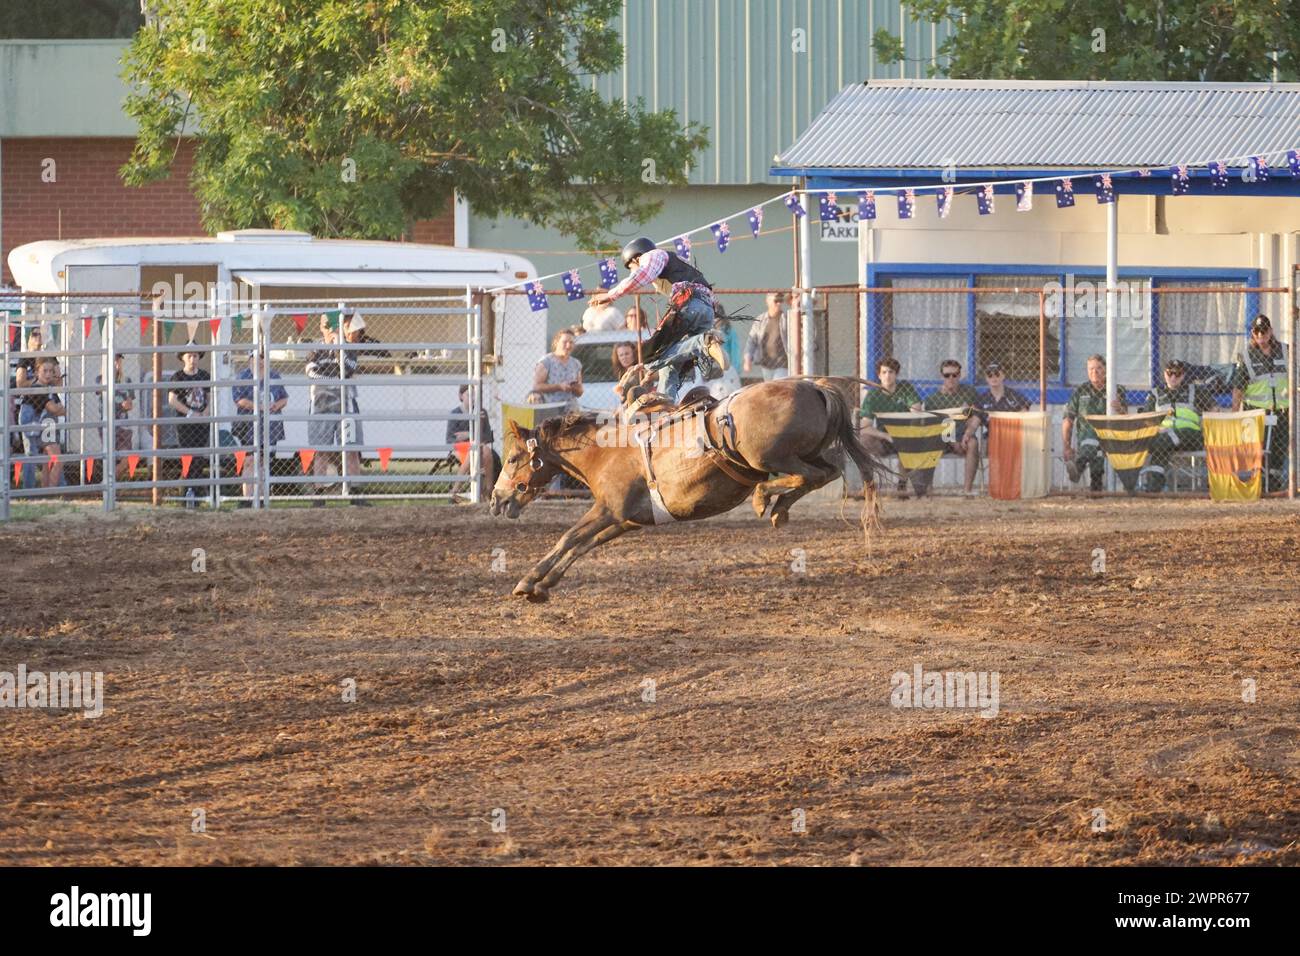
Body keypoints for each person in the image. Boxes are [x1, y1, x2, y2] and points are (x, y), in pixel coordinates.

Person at [588, 237, 727, 401]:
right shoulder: (678, 264)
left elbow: (641, 275)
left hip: (690, 305)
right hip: (706, 312)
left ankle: (703, 343)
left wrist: (611, 295)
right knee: (670, 364)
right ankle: (664, 402)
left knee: (651, 355)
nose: (632, 271)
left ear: (635, 257)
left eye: (631, 267)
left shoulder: (653, 256)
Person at [305, 314, 367, 506]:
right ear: (321, 327)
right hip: (321, 403)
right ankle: (319, 495)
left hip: (346, 402)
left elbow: (349, 368)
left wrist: (339, 347)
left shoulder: (347, 347)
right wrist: (335, 381)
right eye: (326, 326)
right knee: (321, 450)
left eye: (333, 325)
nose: (330, 329)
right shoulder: (316, 348)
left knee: (351, 448)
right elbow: (311, 371)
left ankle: (355, 493)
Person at [1230, 313, 1289, 491]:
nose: (1261, 335)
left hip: (1282, 410)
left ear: (1270, 331)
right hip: (1255, 412)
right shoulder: (1247, 356)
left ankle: (1274, 484)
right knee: (1257, 449)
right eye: (1257, 332)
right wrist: (1235, 413)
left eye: (1264, 331)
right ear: (1253, 334)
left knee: (1279, 449)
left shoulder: (1286, 351)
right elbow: (1238, 388)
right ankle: (1257, 484)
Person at [1139, 358, 1215, 493]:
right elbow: (1146, 418)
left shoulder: (1194, 390)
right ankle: (1154, 488)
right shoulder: (1156, 394)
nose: (1173, 377)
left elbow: (1214, 409)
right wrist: (1157, 428)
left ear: (1183, 375)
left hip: (1190, 435)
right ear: (1164, 374)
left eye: (1178, 374)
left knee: (1158, 444)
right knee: (1161, 446)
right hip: (1165, 438)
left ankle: (1153, 486)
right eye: (1170, 373)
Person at [1062, 354, 1128, 494]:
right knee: (1094, 447)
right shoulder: (1080, 391)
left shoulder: (1116, 389)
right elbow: (1068, 419)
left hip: (1110, 437)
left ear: (1106, 369)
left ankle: (1077, 469)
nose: (1094, 372)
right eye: (1091, 369)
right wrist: (1067, 446)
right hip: (1086, 437)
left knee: (1095, 441)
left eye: (1098, 368)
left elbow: (1126, 417)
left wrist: (1120, 409)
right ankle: (1096, 490)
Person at [858, 357, 923, 498]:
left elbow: (917, 412)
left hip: (905, 436)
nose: (888, 375)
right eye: (884, 372)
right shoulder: (873, 395)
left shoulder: (905, 389)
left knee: (909, 443)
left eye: (891, 372)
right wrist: (887, 436)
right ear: (879, 375)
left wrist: (903, 433)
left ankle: (902, 485)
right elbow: (865, 426)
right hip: (884, 438)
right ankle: (868, 484)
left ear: (896, 374)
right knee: (864, 440)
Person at [232, 351, 289, 506]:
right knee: (249, 461)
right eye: (256, 358)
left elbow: (284, 397)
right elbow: (239, 400)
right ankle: (248, 499)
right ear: (250, 359)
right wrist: (260, 407)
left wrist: (277, 405)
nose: (260, 361)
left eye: (263, 358)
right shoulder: (243, 377)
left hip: (270, 426)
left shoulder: (274, 376)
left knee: (265, 462)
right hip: (249, 426)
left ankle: (263, 498)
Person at [921, 359, 982, 497]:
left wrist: (968, 432)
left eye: (955, 375)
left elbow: (977, 416)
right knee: (930, 442)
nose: (951, 378)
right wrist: (951, 440)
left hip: (962, 435)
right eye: (947, 375)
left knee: (973, 443)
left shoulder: (969, 392)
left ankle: (967, 490)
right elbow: (933, 425)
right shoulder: (933, 399)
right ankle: (929, 490)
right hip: (942, 437)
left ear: (960, 375)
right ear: (941, 376)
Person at [167, 348, 211, 508]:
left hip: (202, 424)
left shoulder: (205, 376)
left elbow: (209, 397)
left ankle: (197, 496)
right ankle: (186, 493)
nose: (193, 359)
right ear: (183, 358)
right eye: (190, 356)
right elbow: (172, 400)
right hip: (185, 424)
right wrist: (190, 413)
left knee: (199, 458)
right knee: (187, 457)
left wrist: (205, 413)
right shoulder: (178, 377)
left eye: (196, 356)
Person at [19, 357, 65, 489]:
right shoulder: (37, 388)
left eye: (51, 371)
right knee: (38, 457)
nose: (49, 374)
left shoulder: (49, 389)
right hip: (32, 426)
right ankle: (32, 491)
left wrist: (58, 409)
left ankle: (48, 489)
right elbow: (55, 409)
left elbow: (61, 410)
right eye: (45, 371)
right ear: (36, 373)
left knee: (48, 460)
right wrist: (57, 409)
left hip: (46, 426)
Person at [445, 383, 497, 489]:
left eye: (474, 395)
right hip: (461, 448)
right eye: (469, 395)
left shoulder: (481, 412)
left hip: (479, 446)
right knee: (473, 452)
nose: (472, 398)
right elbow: (450, 439)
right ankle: (456, 490)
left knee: (485, 451)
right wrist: (471, 439)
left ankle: (488, 489)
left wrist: (469, 434)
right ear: (461, 396)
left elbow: (488, 436)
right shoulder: (455, 413)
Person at [96, 353, 137, 477]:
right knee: (110, 458)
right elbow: (100, 394)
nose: (115, 364)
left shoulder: (127, 380)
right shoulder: (101, 379)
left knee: (127, 458)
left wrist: (126, 405)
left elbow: (130, 404)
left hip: (122, 425)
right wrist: (120, 406)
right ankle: (108, 484)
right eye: (112, 361)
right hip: (107, 425)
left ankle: (109, 481)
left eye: (118, 361)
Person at [528, 329, 583, 411]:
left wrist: (576, 388)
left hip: (571, 410)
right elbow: (536, 386)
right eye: (564, 342)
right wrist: (559, 387)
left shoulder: (576, 364)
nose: (568, 346)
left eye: (571, 342)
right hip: (550, 410)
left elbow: (580, 392)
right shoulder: (546, 361)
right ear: (556, 342)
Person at [743, 291, 789, 380]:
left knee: (777, 386)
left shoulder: (786, 318)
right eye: (776, 301)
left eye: (781, 301)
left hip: (783, 364)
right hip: (766, 365)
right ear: (768, 301)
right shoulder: (761, 320)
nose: (779, 304)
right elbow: (752, 341)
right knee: (770, 390)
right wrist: (747, 359)